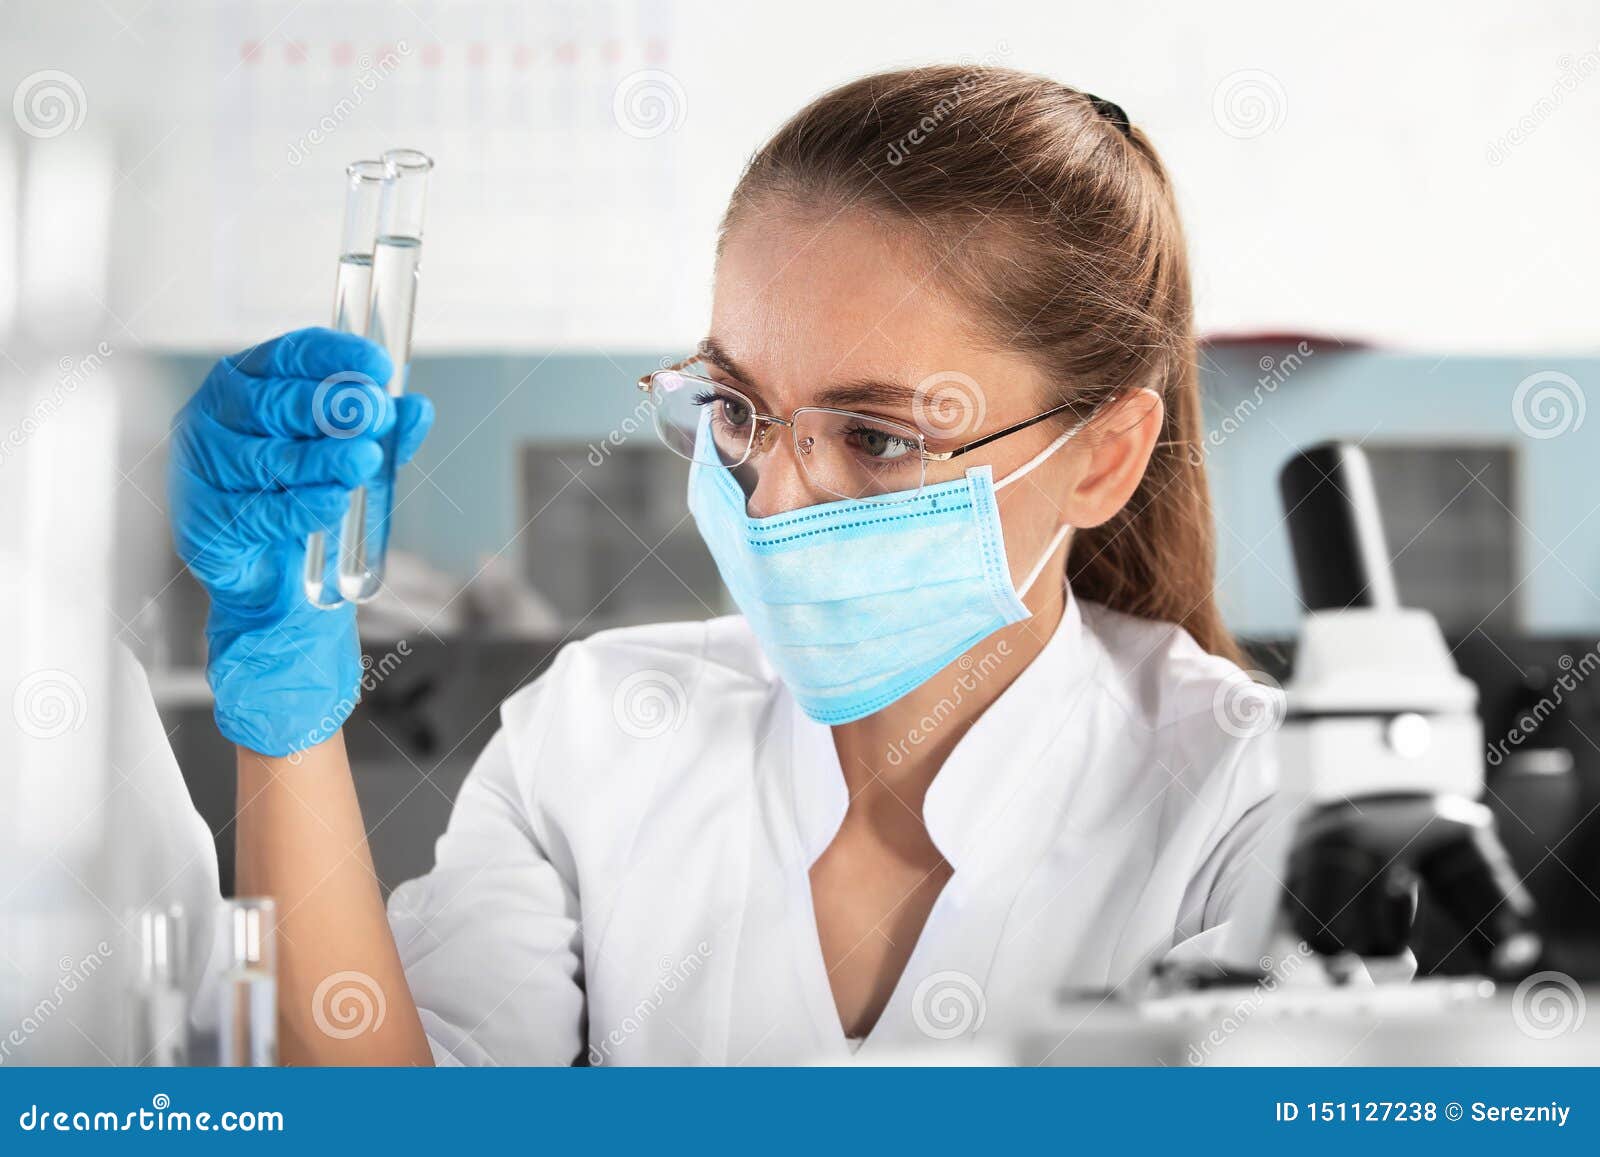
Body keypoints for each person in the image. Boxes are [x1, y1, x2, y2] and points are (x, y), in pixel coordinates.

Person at [168, 66, 1279, 1065]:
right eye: (739, 409)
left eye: (879, 437)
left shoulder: (1242, 795)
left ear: (1101, 457)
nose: (775, 497)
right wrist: (289, 732)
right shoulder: (599, 731)